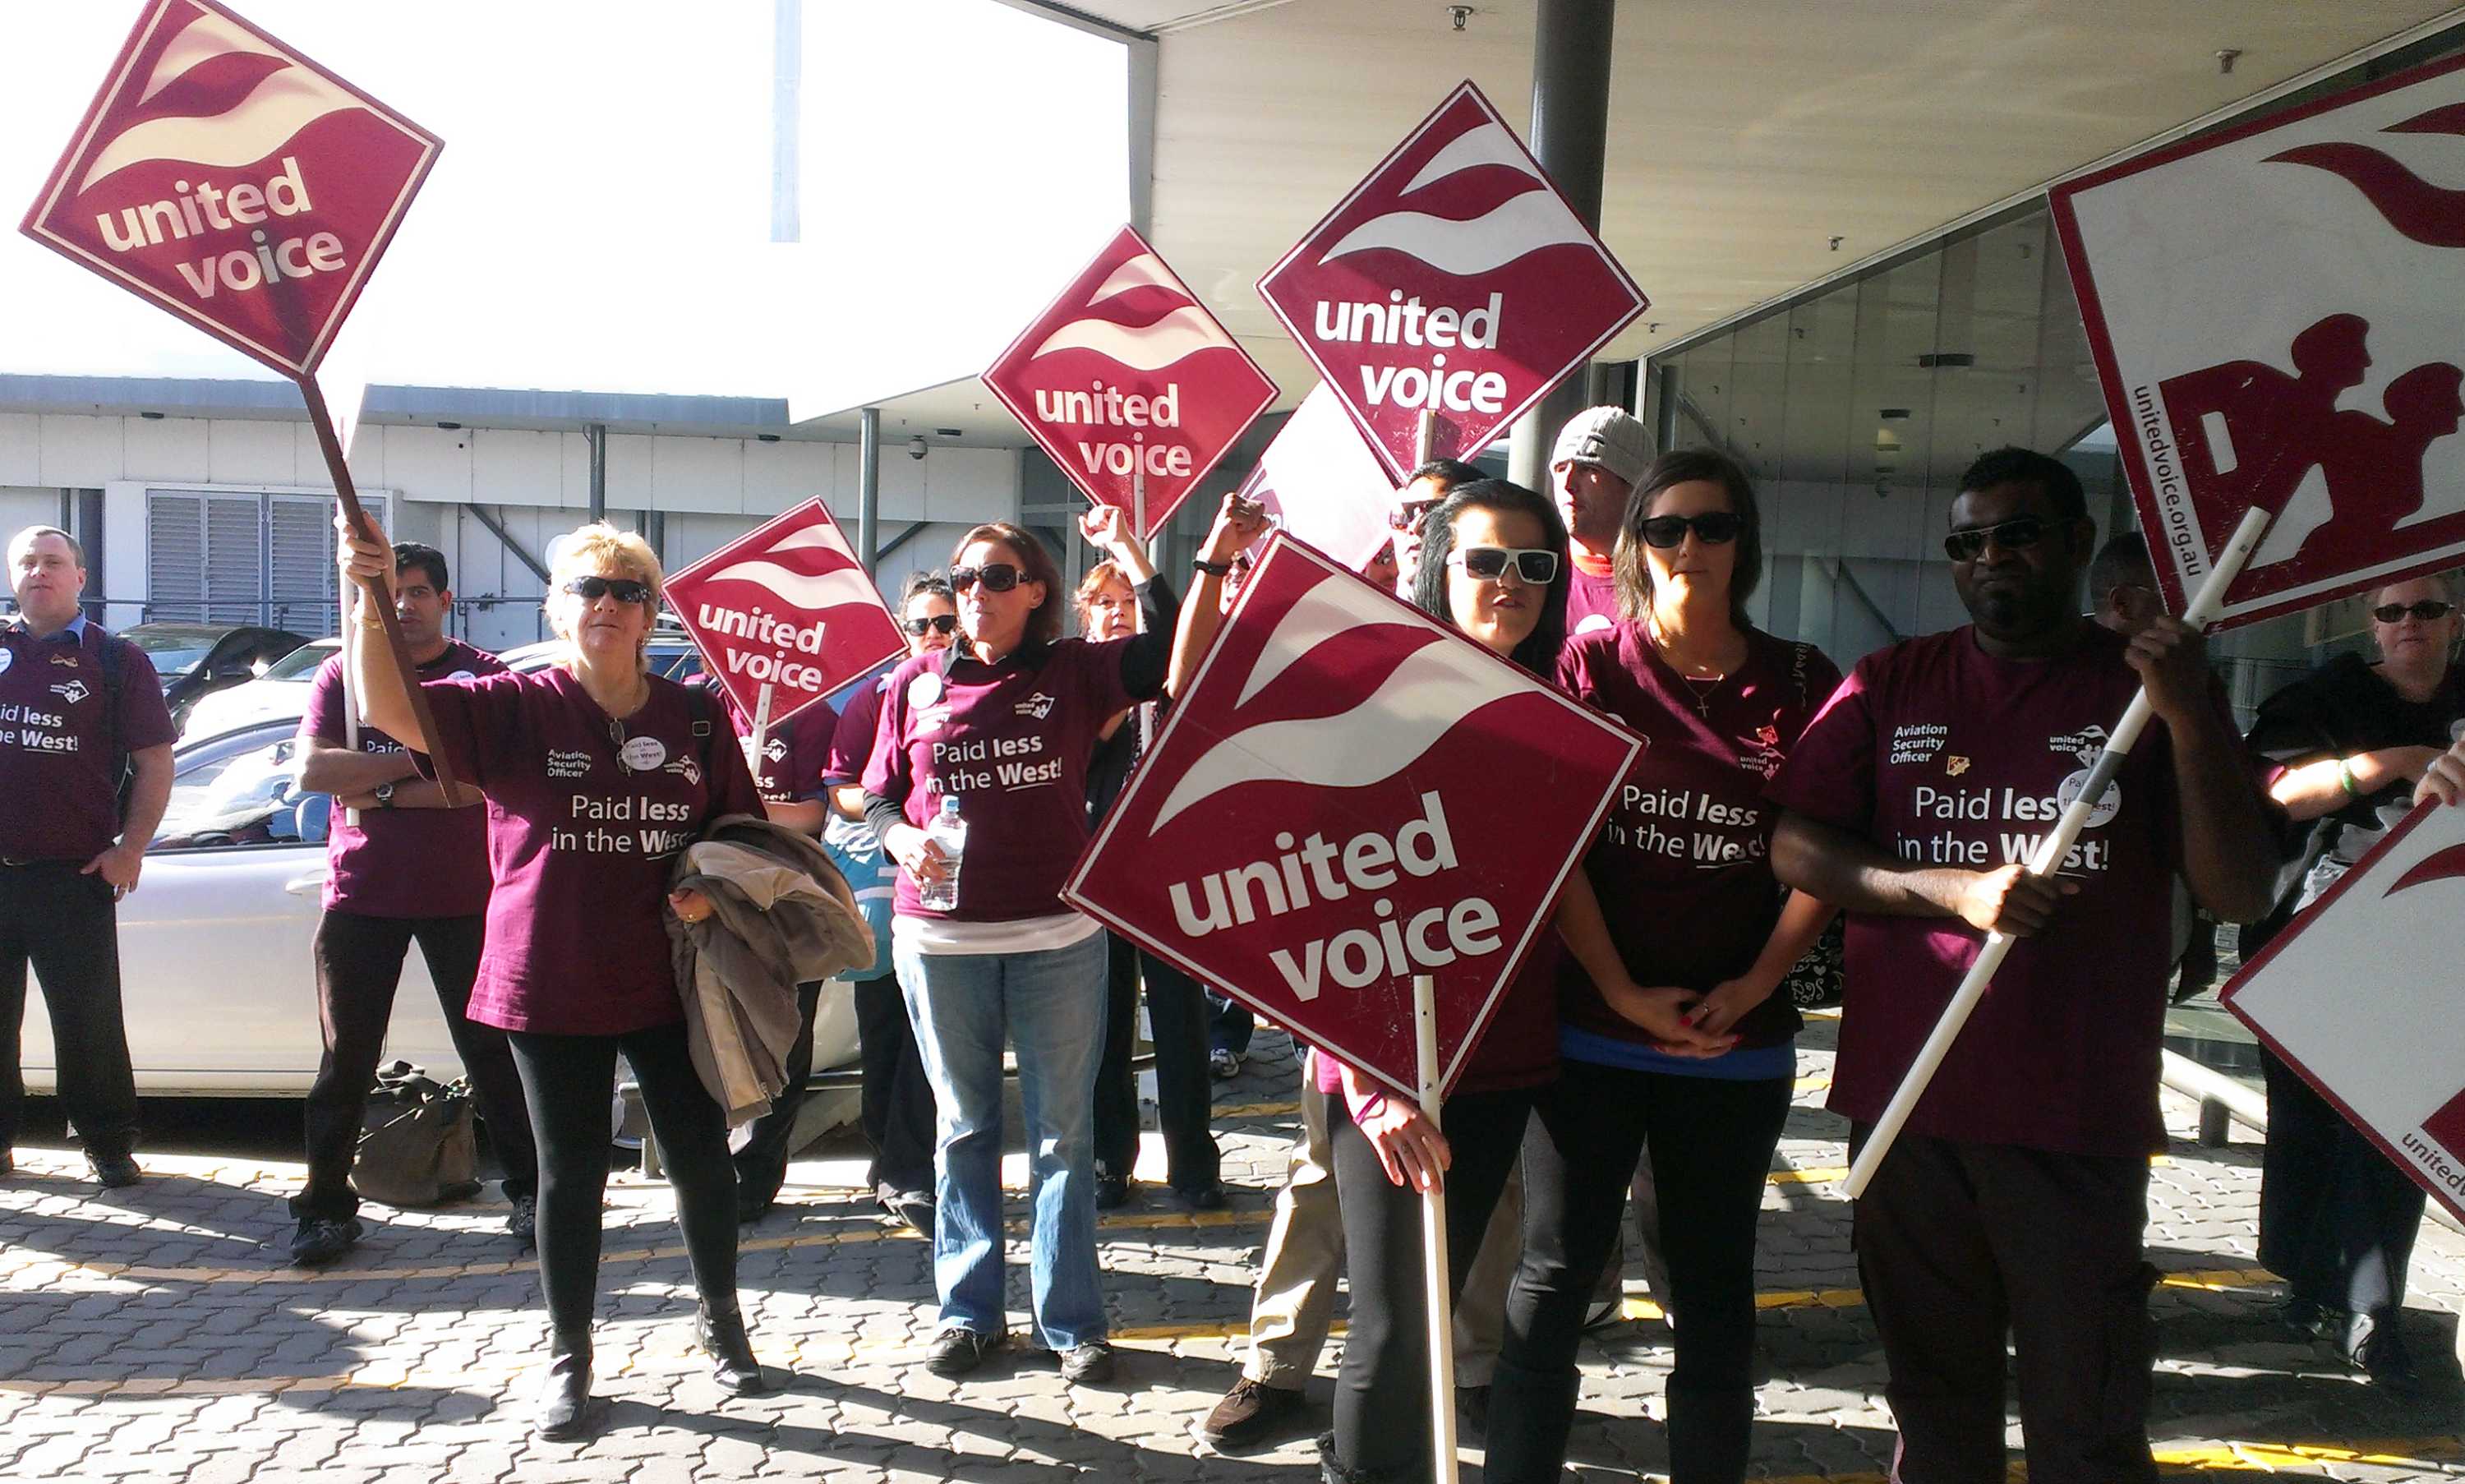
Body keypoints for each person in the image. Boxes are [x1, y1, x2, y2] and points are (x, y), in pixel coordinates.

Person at [1766, 447, 2275, 1483]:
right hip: (1909, 1111)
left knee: (2085, 1422)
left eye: (2018, 533)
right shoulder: (1892, 681)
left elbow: (2241, 891)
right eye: (1968, 541)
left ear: (2078, 545)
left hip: (2073, 1123)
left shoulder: (2147, 688)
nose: (1991, 557)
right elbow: (1795, 842)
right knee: (1935, 1409)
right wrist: (1949, 889)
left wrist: (2182, 711)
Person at [1314, 477, 1730, 1484]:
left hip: (1503, 1060)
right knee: (1398, 1331)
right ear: (1436, 568)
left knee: (1445, 1301)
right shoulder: (1377, 698)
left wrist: (1626, 995)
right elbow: (1313, 901)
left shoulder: (1547, 713)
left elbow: (1563, 877)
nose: (1511, 582)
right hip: (1391, 1072)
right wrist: (1369, 1085)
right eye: (1485, 560)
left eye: (1534, 565)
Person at [338, 514, 776, 1439]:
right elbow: (391, 710)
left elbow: (741, 836)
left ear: (653, 611)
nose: (608, 604)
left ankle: (725, 1328)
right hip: (551, 975)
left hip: (672, 976)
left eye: (629, 591)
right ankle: (570, 1359)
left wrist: (707, 885)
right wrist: (368, 599)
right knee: (570, 1173)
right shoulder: (514, 703)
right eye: (590, 588)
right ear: (557, 605)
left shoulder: (696, 713)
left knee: (701, 1158)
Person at [1488, 450, 1840, 1484]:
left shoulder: (1804, 677)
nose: (1691, 547)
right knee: (1555, 1277)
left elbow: (1824, 848)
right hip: (1594, 1030)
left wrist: (1763, 981)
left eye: (1715, 526)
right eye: (1667, 528)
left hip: (1739, 1039)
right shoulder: (1593, 666)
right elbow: (1555, 848)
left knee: (1715, 1287)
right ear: (1638, 544)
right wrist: (1619, 988)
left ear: (1748, 541)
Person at [862, 498, 1260, 1385]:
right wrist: (898, 838)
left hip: (1057, 938)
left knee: (1062, 1138)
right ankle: (967, 1314)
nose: (974, 593)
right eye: (964, 578)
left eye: (997, 579)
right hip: (941, 940)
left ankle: (1071, 1322)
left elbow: (1169, 658)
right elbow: (881, 792)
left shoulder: (1077, 671)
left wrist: (1160, 559)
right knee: (964, 1131)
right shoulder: (916, 681)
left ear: (1036, 591)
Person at [1202, 452, 1503, 1450]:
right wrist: (1220, 569)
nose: (1416, 526)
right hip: (1349, 998)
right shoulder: (1346, 631)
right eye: (1406, 511)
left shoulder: (1517, 654)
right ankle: (1278, 1365)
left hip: (1483, 996)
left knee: (1480, 1195)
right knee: (1320, 1179)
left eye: (1438, 513)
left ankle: (1466, 1369)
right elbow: (1202, 695)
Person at [2244, 570, 2463, 1394]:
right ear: (2372, 626)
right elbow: (2279, 794)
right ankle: (2309, 1280)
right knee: (2309, 1127)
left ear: (2455, 620)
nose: (2412, 624)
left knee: (2390, 1127)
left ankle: (2374, 1308)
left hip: (2433, 948)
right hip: (2314, 946)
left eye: (2429, 609)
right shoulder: (2323, 696)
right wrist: (2405, 761)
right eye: (2394, 612)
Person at [288, 543, 537, 1265]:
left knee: (494, 1054)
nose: (404, 604)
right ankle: (326, 1210)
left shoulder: (483, 678)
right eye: (389, 592)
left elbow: (480, 785)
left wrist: (373, 784)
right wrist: (425, 760)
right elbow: (313, 771)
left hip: (467, 898)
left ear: (446, 600)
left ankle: (529, 1192)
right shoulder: (343, 674)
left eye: (421, 591)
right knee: (345, 1061)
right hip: (362, 897)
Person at [0, 526, 173, 1189]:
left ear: (79, 576)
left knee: (88, 1020)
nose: (39, 572)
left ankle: (106, 1142)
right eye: (27, 562)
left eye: (53, 562)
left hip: (71, 875)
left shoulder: (115, 659)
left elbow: (155, 761)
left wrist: (131, 848)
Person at [1078, 556, 1227, 1210]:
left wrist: (1140, 565)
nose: (1118, 613)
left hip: (1167, 875)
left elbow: (1175, 633)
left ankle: (1194, 1164)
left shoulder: (1168, 677)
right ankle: (1110, 1161)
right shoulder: (1074, 680)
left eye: (1127, 602)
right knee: (1104, 1028)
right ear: (1085, 616)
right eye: (1104, 603)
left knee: (1180, 1024)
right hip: (1093, 875)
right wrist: (1114, 697)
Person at [819, 573, 955, 1233]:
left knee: (933, 1041)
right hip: (887, 886)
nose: (934, 636)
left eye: (945, 623)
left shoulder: (986, 692)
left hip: (958, 897)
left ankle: (911, 1169)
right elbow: (841, 787)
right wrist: (893, 821)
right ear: (901, 632)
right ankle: (891, 1162)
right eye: (921, 625)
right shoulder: (875, 698)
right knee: (885, 1036)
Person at [704, 669, 841, 1223]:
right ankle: (707, 1166)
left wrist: (744, 811)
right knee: (713, 1031)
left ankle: (756, 1174)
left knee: (785, 1037)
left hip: (786, 900)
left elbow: (814, 812)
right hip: (713, 897)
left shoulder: (813, 717)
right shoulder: (707, 703)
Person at [2086, 531, 2218, 1000]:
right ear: (2123, 603)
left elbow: (2202, 813)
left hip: (2147, 945)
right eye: (2182, 600)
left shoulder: (2186, 683)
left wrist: (2200, 926)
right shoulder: (2061, 682)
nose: (2202, 618)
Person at [1549, 407, 1653, 638]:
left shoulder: (1664, 584)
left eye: (1589, 468)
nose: (1568, 483)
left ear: (1634, 488)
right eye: (1560, 468)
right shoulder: (1533, 573)